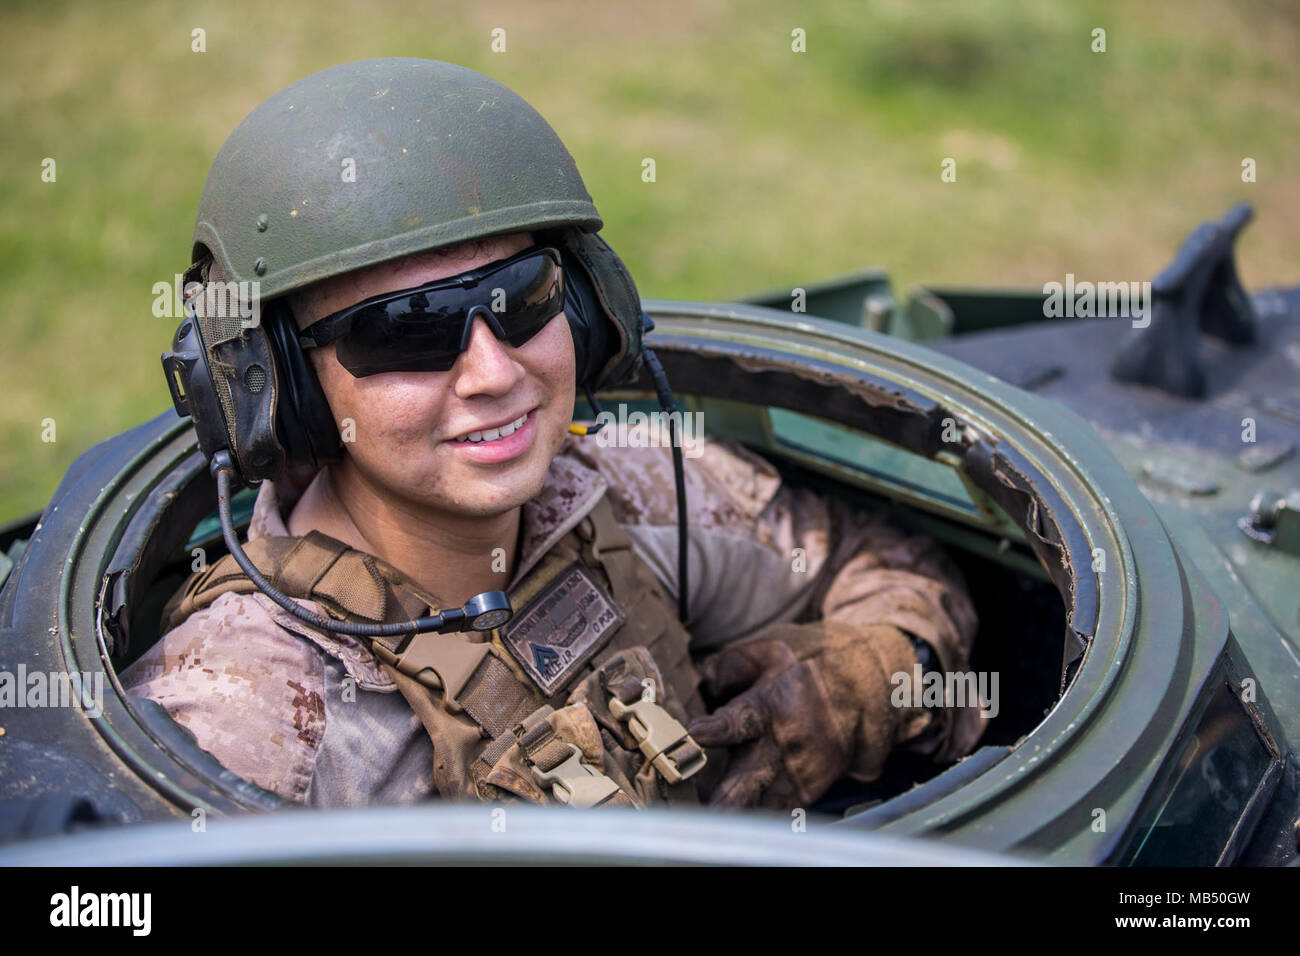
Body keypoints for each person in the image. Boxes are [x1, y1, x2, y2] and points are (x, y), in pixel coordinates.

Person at [123, 57, 985, 811]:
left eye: (520, 297)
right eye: (408, 330)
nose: (494, 373)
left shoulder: (627, 490)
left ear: (587, 305)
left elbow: (882, 564)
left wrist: (871, 669)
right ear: (279, 388)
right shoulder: (244, 713)